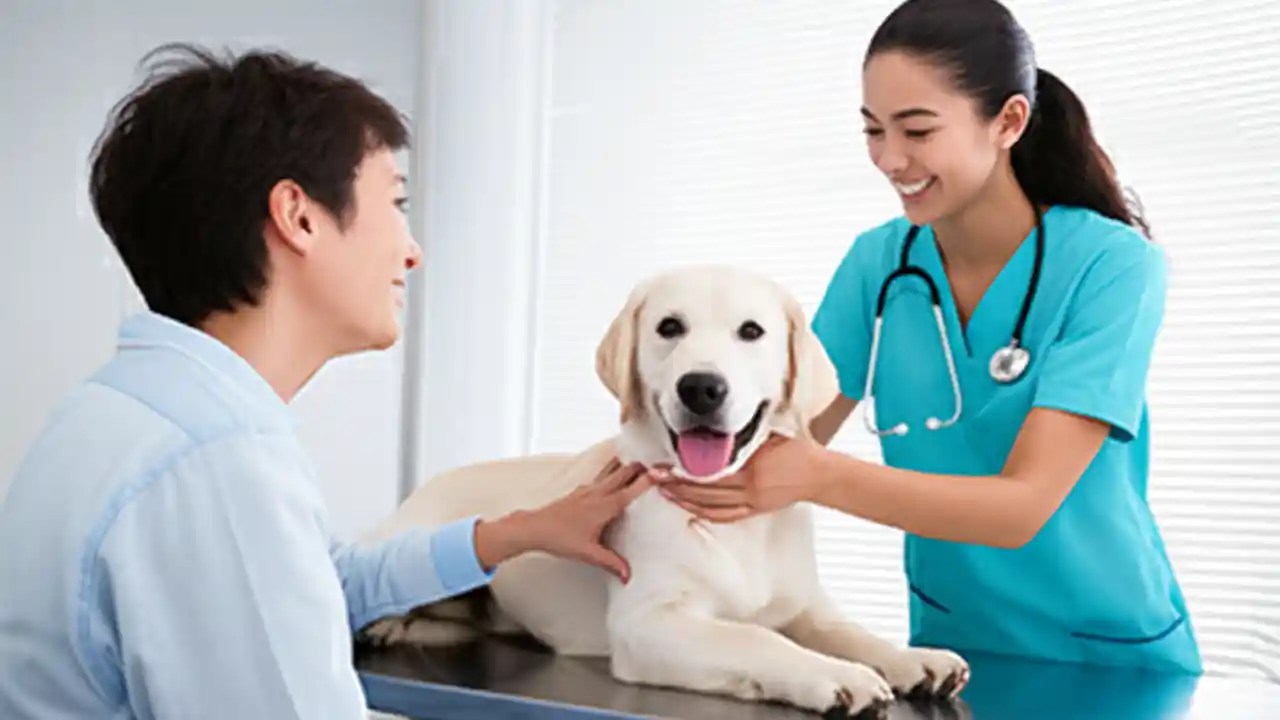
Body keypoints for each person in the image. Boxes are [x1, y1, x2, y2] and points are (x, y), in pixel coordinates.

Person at [0, 44, 650, 719]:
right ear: (299, 217)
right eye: (395, 202)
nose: (412, 249)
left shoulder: (132, 408)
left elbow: (323, 582)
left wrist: (515, 532)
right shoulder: (216, 460)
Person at [658, 0, 1203, 676]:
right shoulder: (878, 266)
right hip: (953, 648)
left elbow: (1021, 508)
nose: (890, 159)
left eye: (917, 130)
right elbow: (773, 436)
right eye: (873, 130)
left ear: (1007, 121)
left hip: (1111, 657)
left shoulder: (1113, 266)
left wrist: (816, 476)